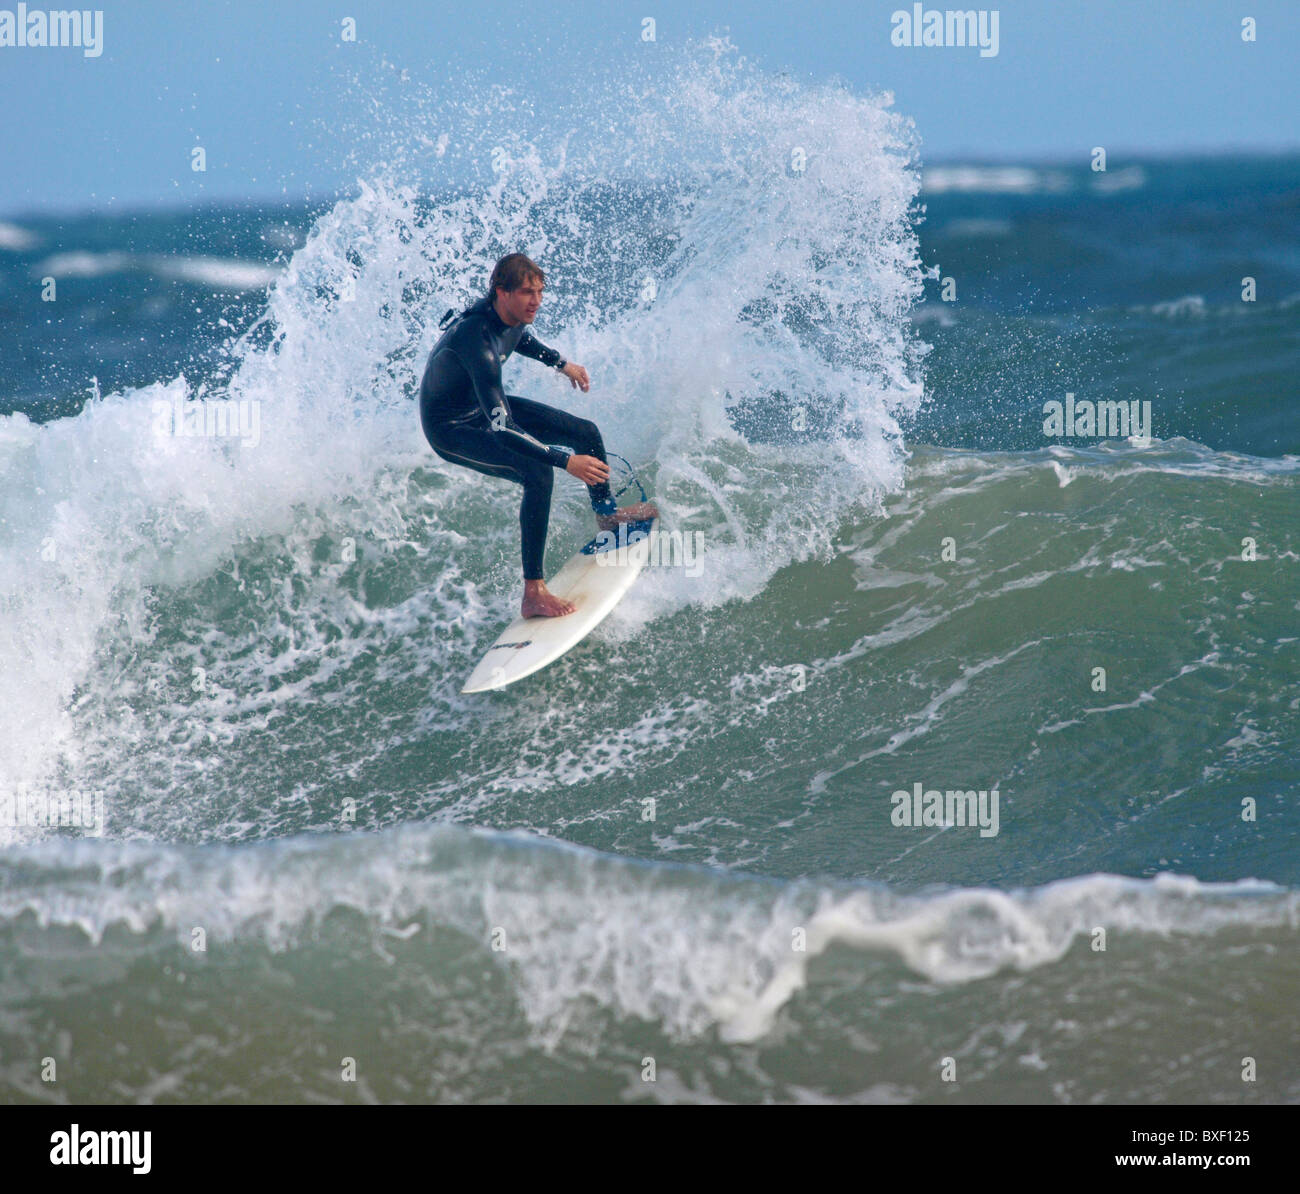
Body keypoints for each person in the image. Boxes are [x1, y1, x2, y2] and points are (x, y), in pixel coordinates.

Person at [419, 253, 658, 617]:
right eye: (528, 293)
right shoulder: (476, 341)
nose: (537, 301)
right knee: (538, 472)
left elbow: (520, 338)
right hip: (451, 428)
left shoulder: (510, 316)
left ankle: (607, 516)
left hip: (480, 406)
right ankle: (533, 594)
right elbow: (502, 427)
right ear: (501, 292)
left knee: (584, 432)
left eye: (541, 292)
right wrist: (566, 461)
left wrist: (562, 364)